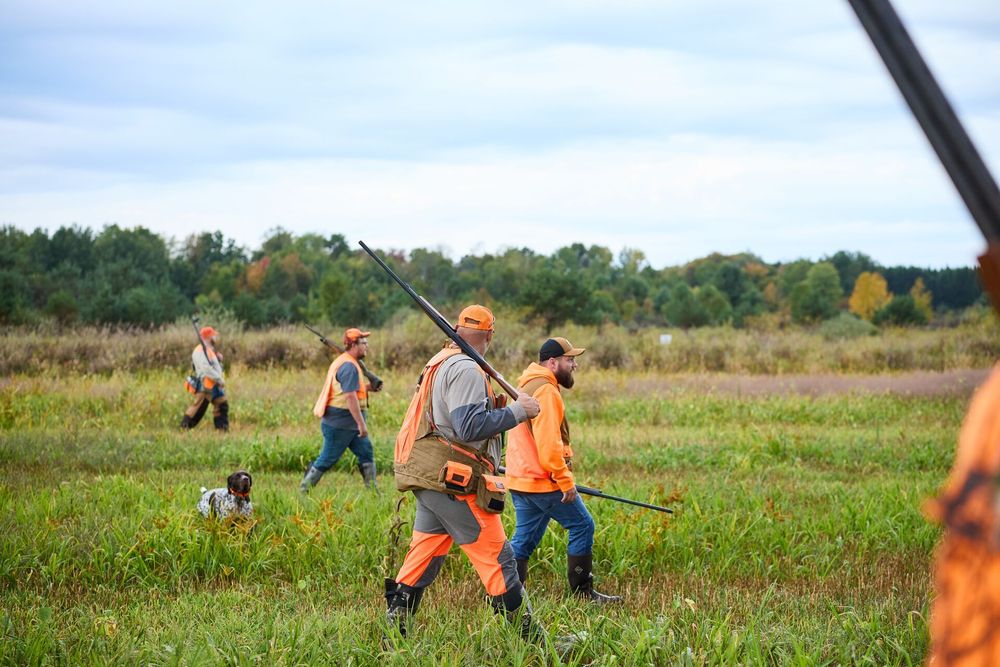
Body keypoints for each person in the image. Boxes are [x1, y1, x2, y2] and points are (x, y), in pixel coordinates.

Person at [384, 304, 548, 643]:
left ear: (459, 329)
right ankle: (537, 646)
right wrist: (519, 410)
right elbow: (468, 426)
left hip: (432, 477)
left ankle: (393, 639)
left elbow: (454, 424)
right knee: (500, 560)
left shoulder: (441, 360)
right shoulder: (467, 368)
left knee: (424, 556)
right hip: (454, 484)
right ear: (489, 334)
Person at [505, 337, 621, 603]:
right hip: (543, 480)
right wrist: (564, 480)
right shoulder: (546, 390)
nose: (575, 365)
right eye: (570, 360)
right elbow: (548, 443)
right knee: (583, 525)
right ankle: (583, 593)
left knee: (524, 539)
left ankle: (509, 594)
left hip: (522, 479)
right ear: (553, 362)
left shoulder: (527, 383)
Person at [301, 328, 379, 492]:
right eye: (363, 343)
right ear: (353, 345)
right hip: (342, 424)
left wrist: (368, 388)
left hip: (347, 423)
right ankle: (304, 489)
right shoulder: (349, 366)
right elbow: (350, 397)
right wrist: (361, 424)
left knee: (366, 453)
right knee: (327, 459)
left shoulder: (347, 362)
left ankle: (373, 492)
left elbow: (348, 390)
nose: (367, 346)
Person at [180, 325, 229, 431]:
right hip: (206, 385)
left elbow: (212, 365)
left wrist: (217, 358)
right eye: (213, 335)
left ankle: (222, 431)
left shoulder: (208, 350)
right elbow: (206, 369)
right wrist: (219, 379)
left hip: (214, 384)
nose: (216, 338)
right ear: (208, 337)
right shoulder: (199, 351)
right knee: (198, 409)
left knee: (222, 405)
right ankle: (184, 428)